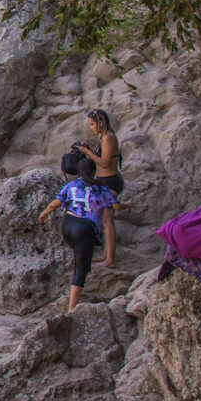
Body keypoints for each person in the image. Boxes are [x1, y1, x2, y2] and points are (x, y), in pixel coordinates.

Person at [38, 150, 124, 311]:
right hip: (84, 230)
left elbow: (54, 203)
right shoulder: (101, 189)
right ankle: (71, 309)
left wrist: (43, 214)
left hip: (68, 226)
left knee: (78, 251)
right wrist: (128, 204)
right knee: (81, 269)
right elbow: (115, 206)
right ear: (94, 171)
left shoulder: (71, 185)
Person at [73, 108, 125, 266]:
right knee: (104, 221)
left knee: (107, 221)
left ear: (101, 123)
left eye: (92, 124)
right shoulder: (102, 137)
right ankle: (106, 254)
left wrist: (87, 153)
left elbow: (104, 162)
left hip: (110, 181)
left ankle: (111, 259)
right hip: (103, 181)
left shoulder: (109, 138)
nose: (91, 127)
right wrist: (88, 149)